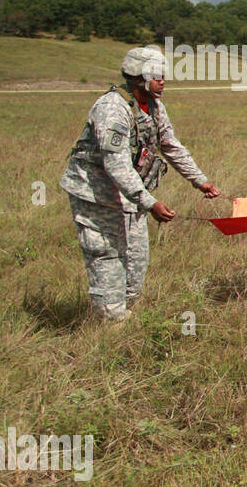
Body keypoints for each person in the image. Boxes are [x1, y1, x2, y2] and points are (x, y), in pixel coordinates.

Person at [59, 45, 220, 321]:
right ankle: (109, 327)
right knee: (108, 258)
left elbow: (171, 146)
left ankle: (122, 312)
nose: (163, 80)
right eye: (156, 75)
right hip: (96, 196)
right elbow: (115, 164)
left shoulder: (155, 107)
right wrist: (150, 202)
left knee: (135, 261)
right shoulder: (112, 108)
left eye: (163, 74)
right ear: (137, 77)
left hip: (129, 198)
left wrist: (200, 181)